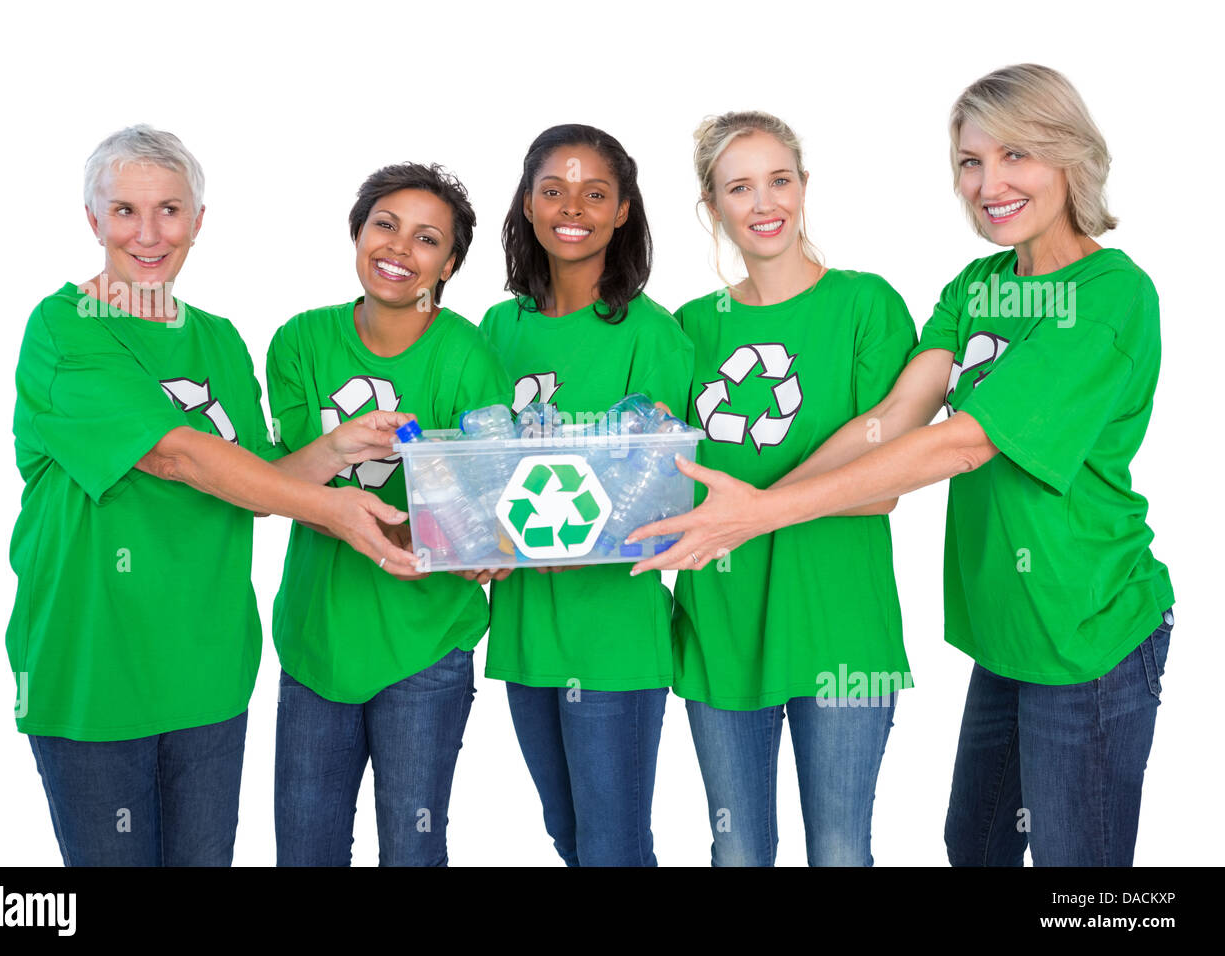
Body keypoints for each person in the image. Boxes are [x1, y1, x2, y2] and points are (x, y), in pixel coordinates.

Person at [629, 65, 1175, 867]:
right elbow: (889, 423)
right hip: (1009, 635)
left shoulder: (1108, 293)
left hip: (1088, 627)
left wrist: (758, 513)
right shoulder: (978, 287)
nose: (989, 183)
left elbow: (964, 441)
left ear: (1070, 158)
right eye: (970, 161)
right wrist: (751, 508)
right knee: (977, 846)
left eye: (1016, 155)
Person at [8, 125, 416, 867]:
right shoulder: (64, 329)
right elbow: (175, 456)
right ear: (93, 221)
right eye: (125, 211)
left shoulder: (221, 341)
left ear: (199, 221)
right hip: (94, 674)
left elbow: (256, 486)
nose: (149, 233)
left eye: (169, 209)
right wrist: (333, 509)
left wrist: (334, 450)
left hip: (208, 672)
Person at [661, 111, 914, 866]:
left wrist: (747, 512)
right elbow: (663, 482)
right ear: (713, 207)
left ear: (804, 187)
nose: (764, 202)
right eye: (740, 187)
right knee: (737, 851)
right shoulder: (688, 328)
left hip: (840, 620)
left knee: (840, 850)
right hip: (722, 619)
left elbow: (885, 486)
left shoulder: (866, 305)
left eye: (779, 179)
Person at [268, 162, 512, 867]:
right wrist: (339, 446)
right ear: (357, 231)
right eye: (385, 225)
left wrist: (492, 542)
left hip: (426, 643)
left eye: (427, 238)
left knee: (413, 847)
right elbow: (273, 486)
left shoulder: (467, 355)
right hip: (318, 640)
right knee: (306, 851)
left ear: (450, 262)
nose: (400, 249)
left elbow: (493, 499)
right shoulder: (301, 343)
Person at [478, 124, 693, 866]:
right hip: (526, 628)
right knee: (568, 835)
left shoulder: (653, 334)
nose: (574, 207)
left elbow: (662, 492)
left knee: (612, 847)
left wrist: (578, 538)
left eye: (596, 192)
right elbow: (482, 472)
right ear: (529, 205)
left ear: (623, 211)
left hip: (613, 634)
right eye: (554, 190)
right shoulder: (496, 329)